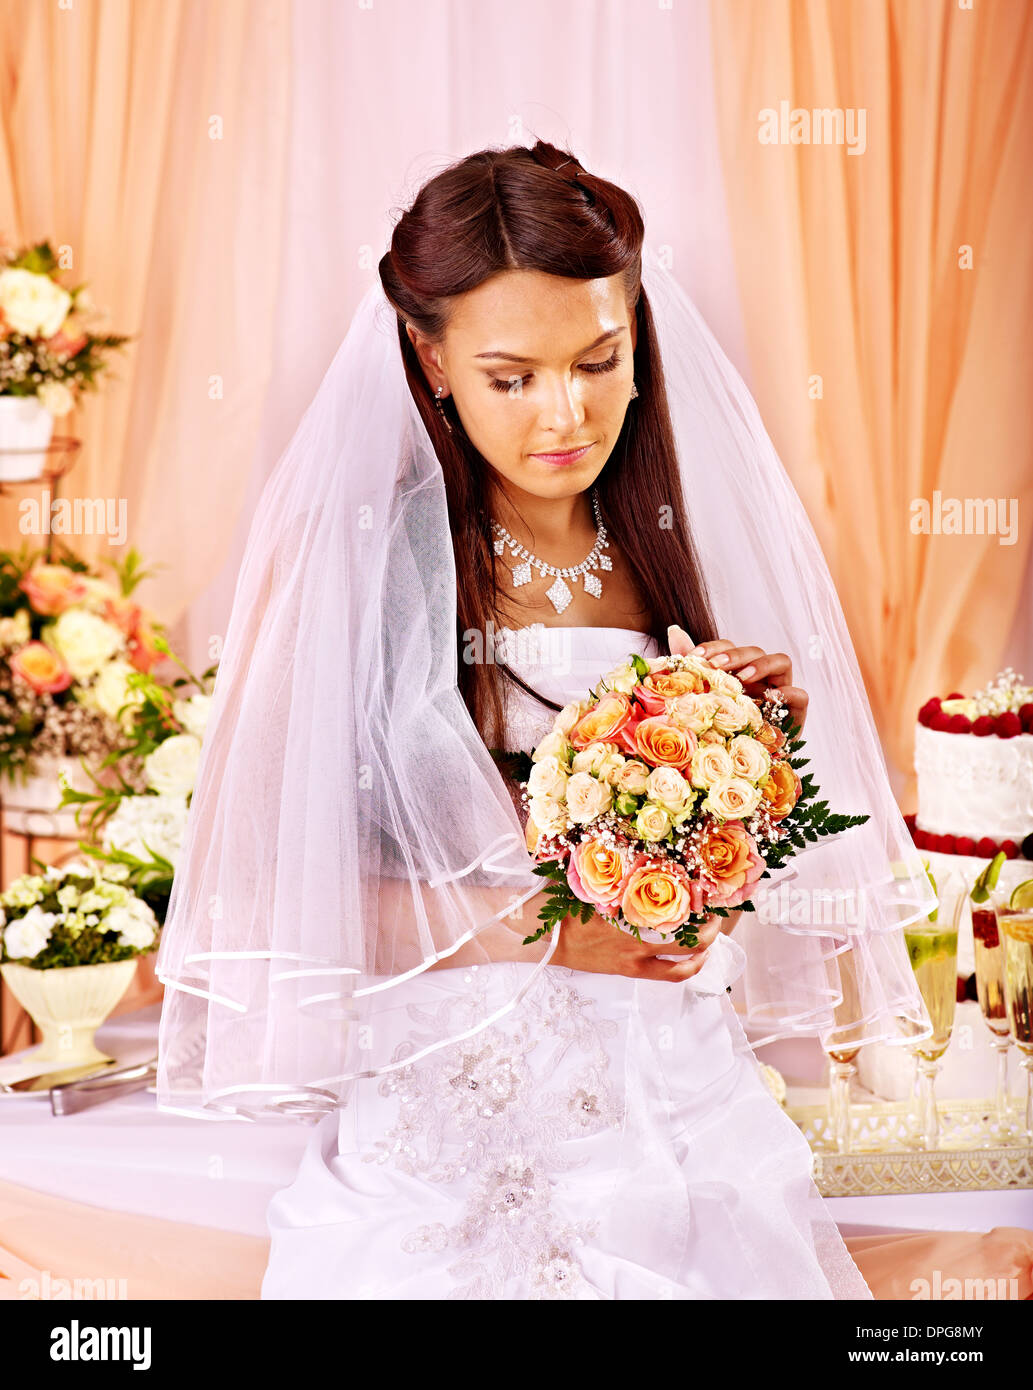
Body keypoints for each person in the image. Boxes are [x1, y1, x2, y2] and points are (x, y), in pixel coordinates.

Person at [156, 140, 1033, 1300]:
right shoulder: (357, 564)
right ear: (429, 361)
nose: (563, 415)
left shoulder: (675, 541)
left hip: (678, 1087)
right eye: (510, 377)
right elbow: (279, 901)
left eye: (597, 361)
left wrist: (754, 753)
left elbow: (729, 875)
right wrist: (559, 934)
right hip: (454, 1117)